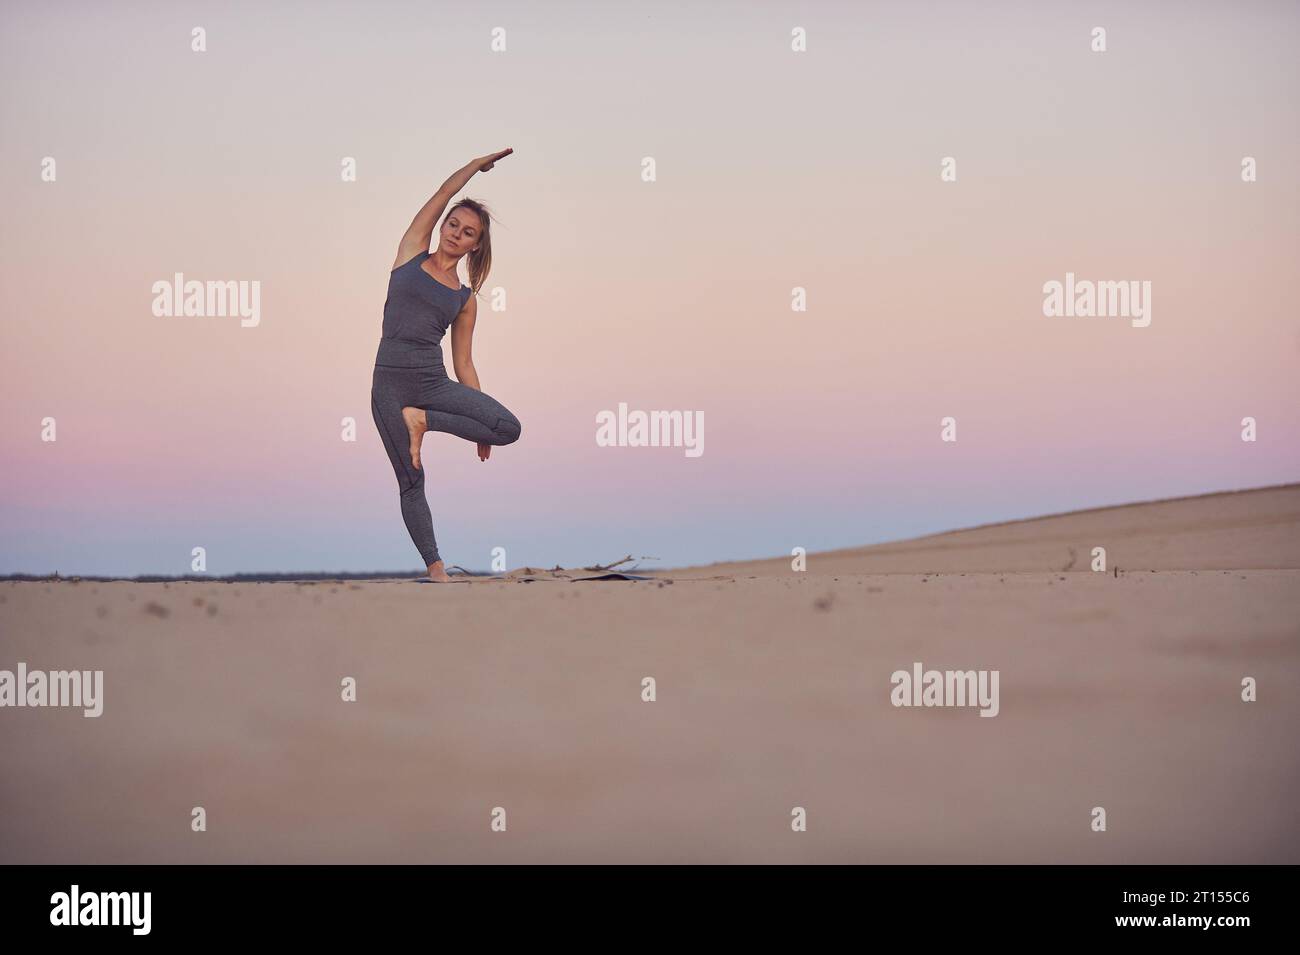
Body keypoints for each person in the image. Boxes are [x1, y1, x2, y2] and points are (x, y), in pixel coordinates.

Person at [371, 149, 521, 582]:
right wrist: (475, 167)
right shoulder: (410, 254)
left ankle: (424, 421)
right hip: (389, 387)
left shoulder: (464, 299)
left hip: (433, 384)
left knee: (507, 428)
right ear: (442, 226)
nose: (457, 233)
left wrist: (480, 425)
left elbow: (464, 363)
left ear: (476, 245)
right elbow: (443, 193)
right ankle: (436, 567)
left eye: (468, 232)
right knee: (411, 479)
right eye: (453, 224)